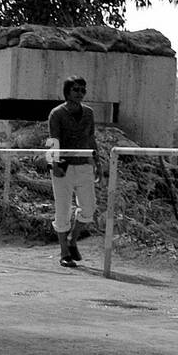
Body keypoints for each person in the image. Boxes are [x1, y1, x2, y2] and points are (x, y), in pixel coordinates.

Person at [47, 75, 99, 268]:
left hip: (84, 165)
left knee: (89, 208)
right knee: (63, 210)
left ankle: (72, 239)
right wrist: (54, 164)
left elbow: (91, 138)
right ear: (67, 91)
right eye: (76, 89)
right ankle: (64, 252)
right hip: (64, 166)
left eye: (83, 90)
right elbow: (53, 140)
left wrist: (97, 162)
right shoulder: (57, 114)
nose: (80, 93)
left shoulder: (89, 113)